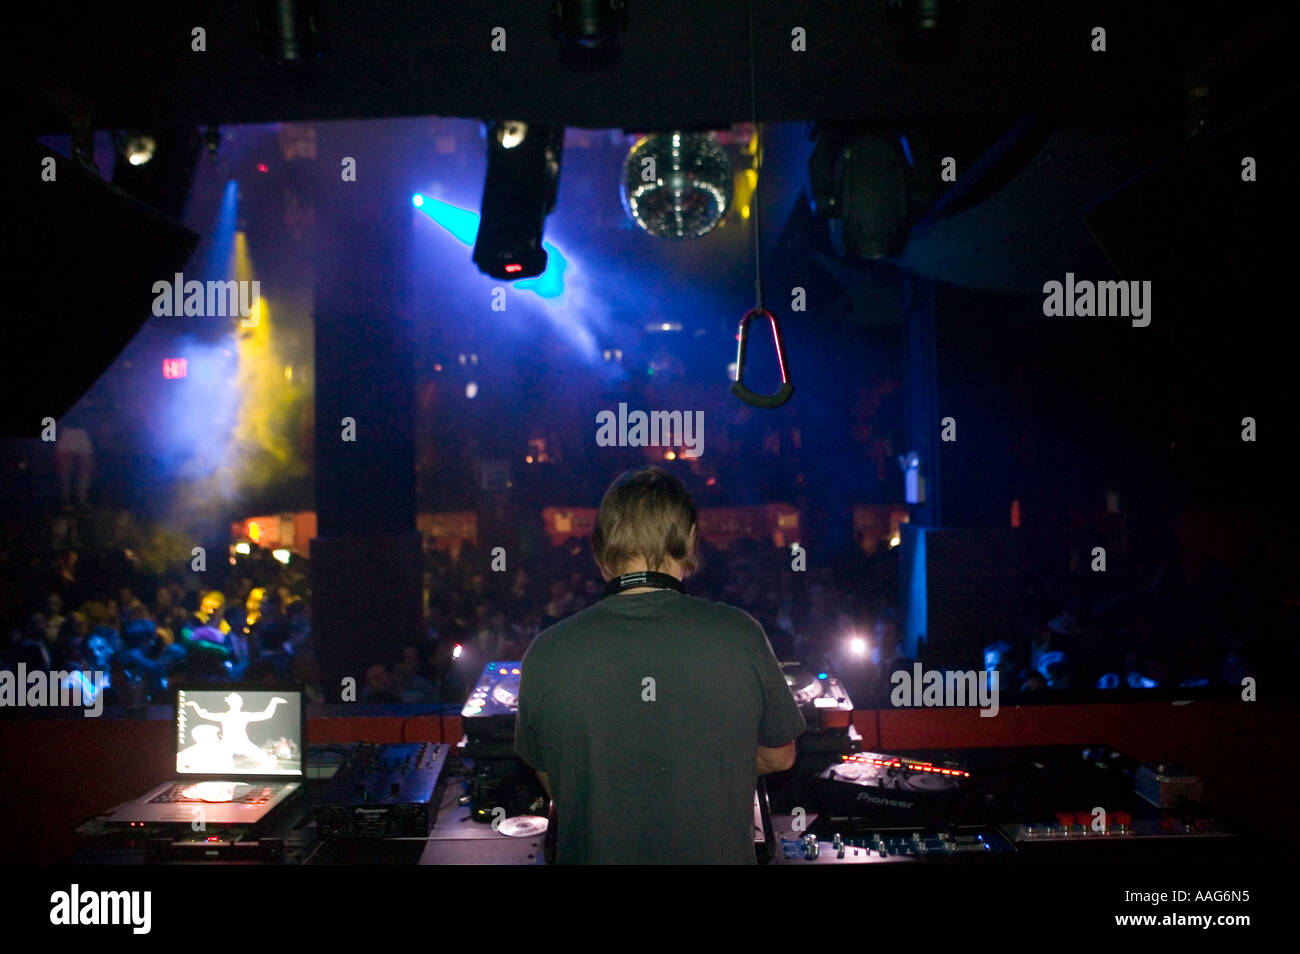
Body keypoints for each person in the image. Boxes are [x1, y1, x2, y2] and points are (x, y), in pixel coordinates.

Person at [515, 466, 806, 864]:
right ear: (689, 541)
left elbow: (558, 782)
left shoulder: (547, 652)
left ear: (600, 549)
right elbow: (780, 756)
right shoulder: (740, 635)